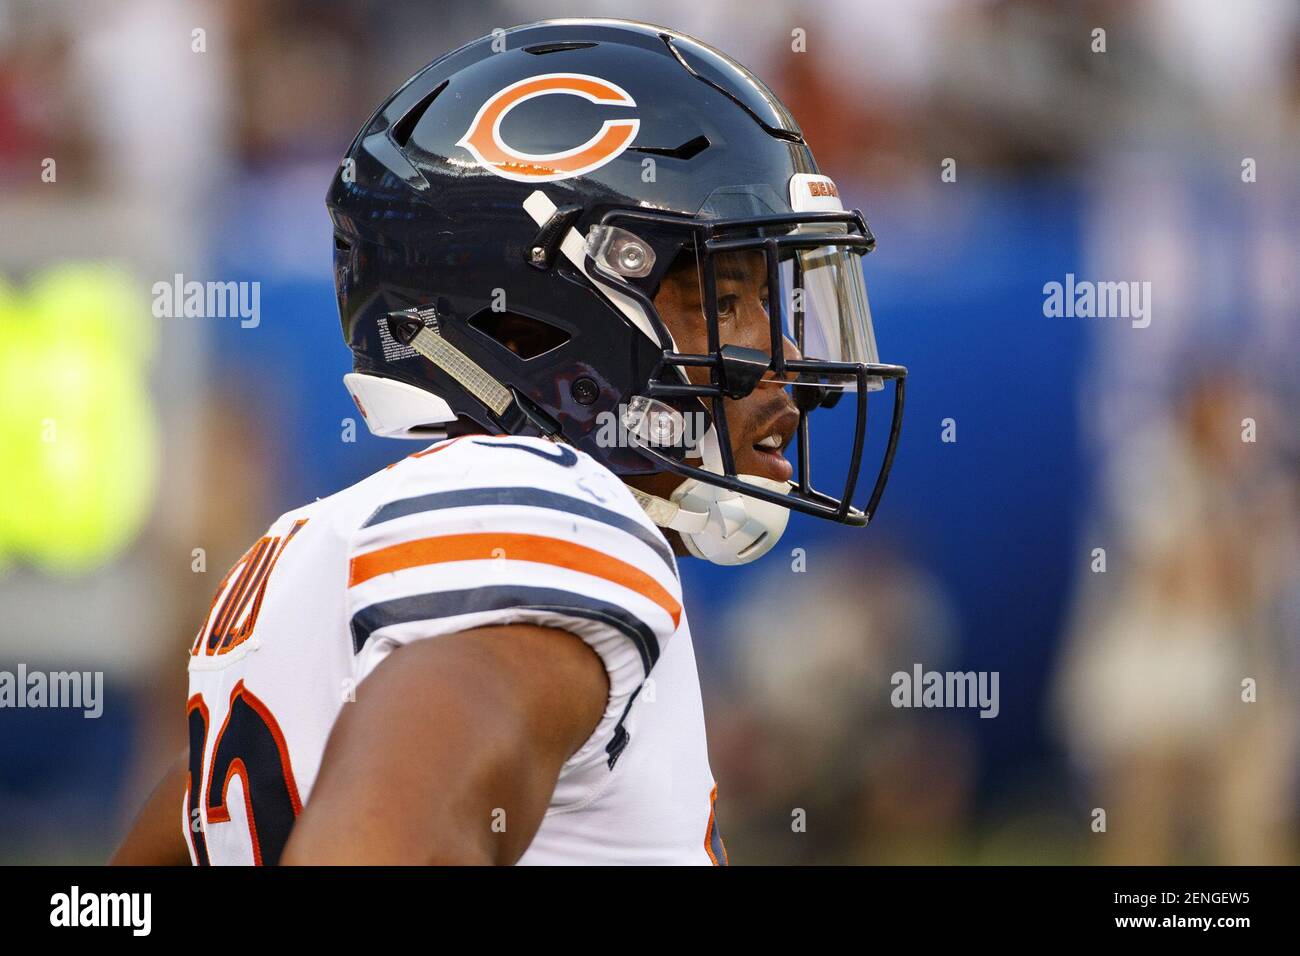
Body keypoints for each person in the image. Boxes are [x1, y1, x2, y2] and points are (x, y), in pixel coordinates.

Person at [110, 18, 905, 866]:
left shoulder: (314, 547)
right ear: (545, 309)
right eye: (730, 295)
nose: (788, 363)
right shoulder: (553, 514)